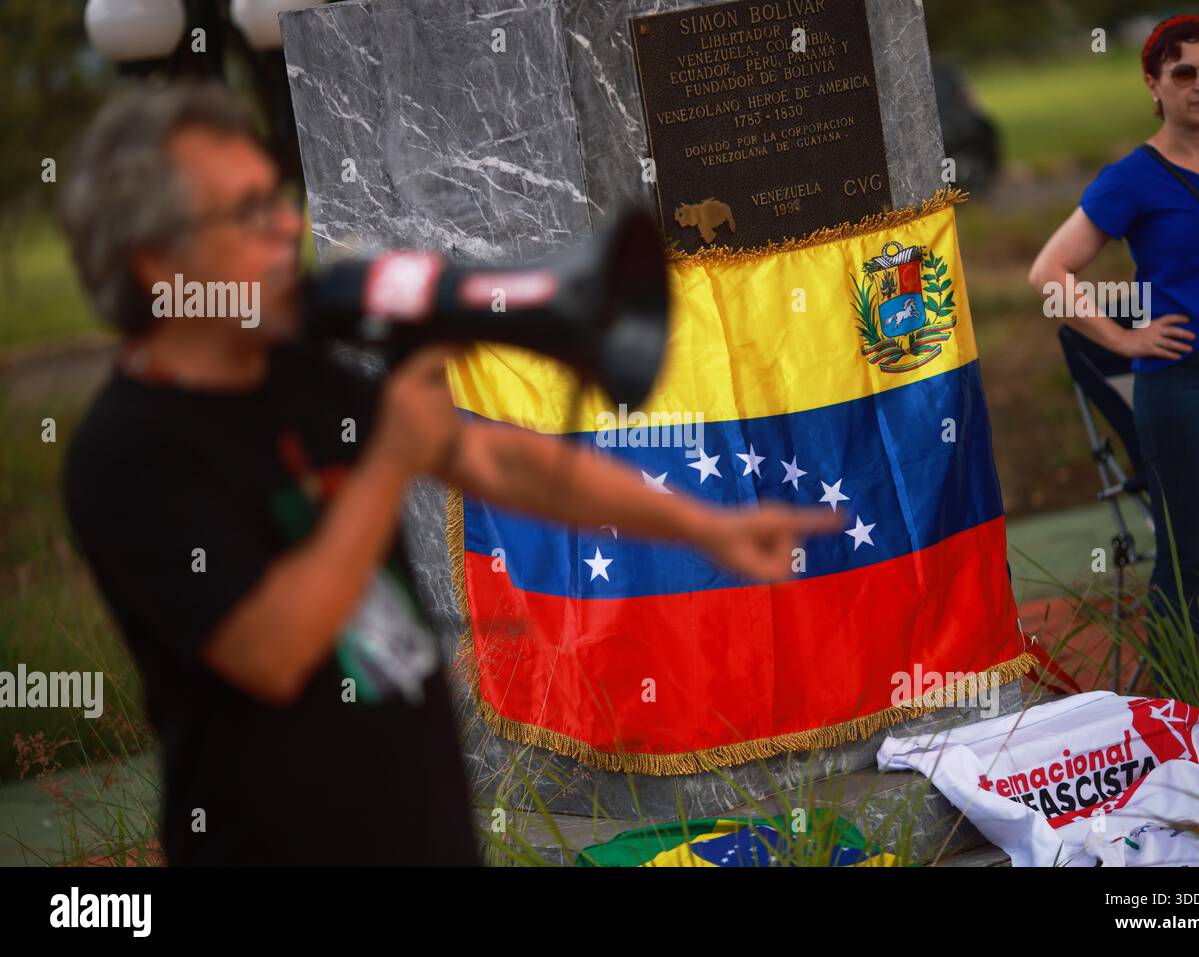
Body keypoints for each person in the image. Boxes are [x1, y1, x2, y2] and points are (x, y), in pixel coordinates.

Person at [58, 82, 841, 865]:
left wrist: (708, 526)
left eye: (280, 198)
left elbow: (487, 456)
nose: (288, 226)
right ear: (157, 263)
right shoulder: (128, 452)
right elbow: (270, 647)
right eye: (248, 211)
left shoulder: (296, 367)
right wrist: (390, 459)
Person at [1028, 15, 1199, 680]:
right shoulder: (1132, 178)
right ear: (1154, 85)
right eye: (1184, 73)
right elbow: (1048, 274)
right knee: (1192, 551)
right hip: (1186, 379)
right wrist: (1123, 337)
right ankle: (1171, 706)